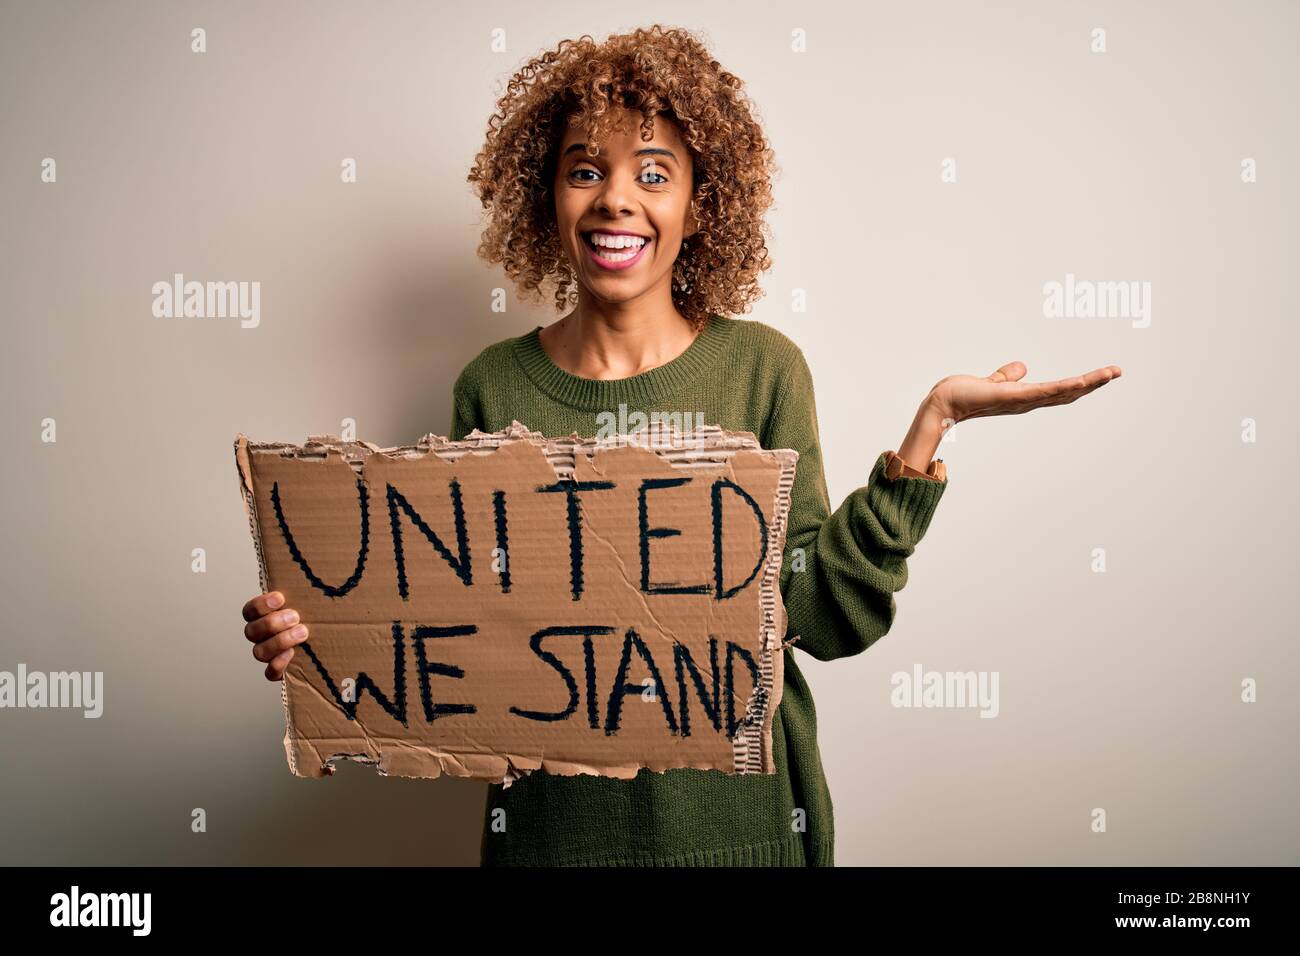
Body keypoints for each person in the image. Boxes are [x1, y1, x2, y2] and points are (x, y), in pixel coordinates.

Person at [241, 24, 1120, 866]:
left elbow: (816, 615)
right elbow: (455, 627)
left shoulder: (764, 370)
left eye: (652, 173)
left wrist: (929, 430)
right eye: (585, 170)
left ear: (700, 205)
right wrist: (322, 638)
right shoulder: (492, 388)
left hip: (745, 839)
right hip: (552, 846)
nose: (615, 197)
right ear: (549, 195)